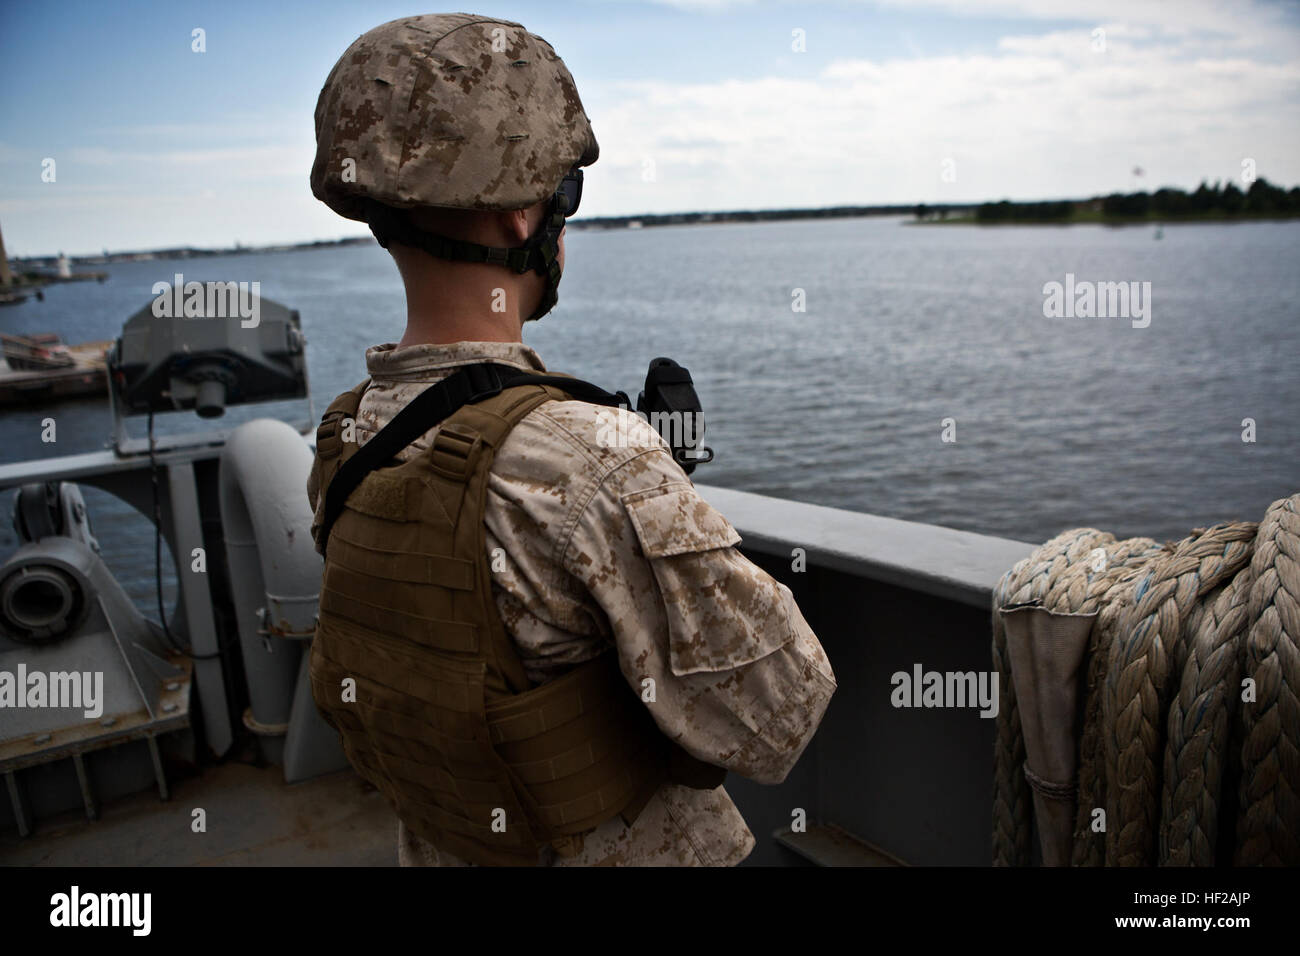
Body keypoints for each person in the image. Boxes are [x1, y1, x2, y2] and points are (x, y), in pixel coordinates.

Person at [305, 12, 835, 867]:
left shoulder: (340, 437)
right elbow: (782, 713)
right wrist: (665, 500)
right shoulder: (596, 457)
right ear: (523, 214)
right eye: (566, 192)